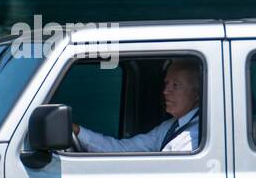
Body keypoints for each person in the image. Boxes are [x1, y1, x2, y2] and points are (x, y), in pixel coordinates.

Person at [73, 58, 202, 153]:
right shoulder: (170, 126)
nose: (165, 91)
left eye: (175, 85)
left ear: (196, 94)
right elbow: (124, 149)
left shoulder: (197, 133)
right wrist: (78, 132)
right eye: (166, 84)